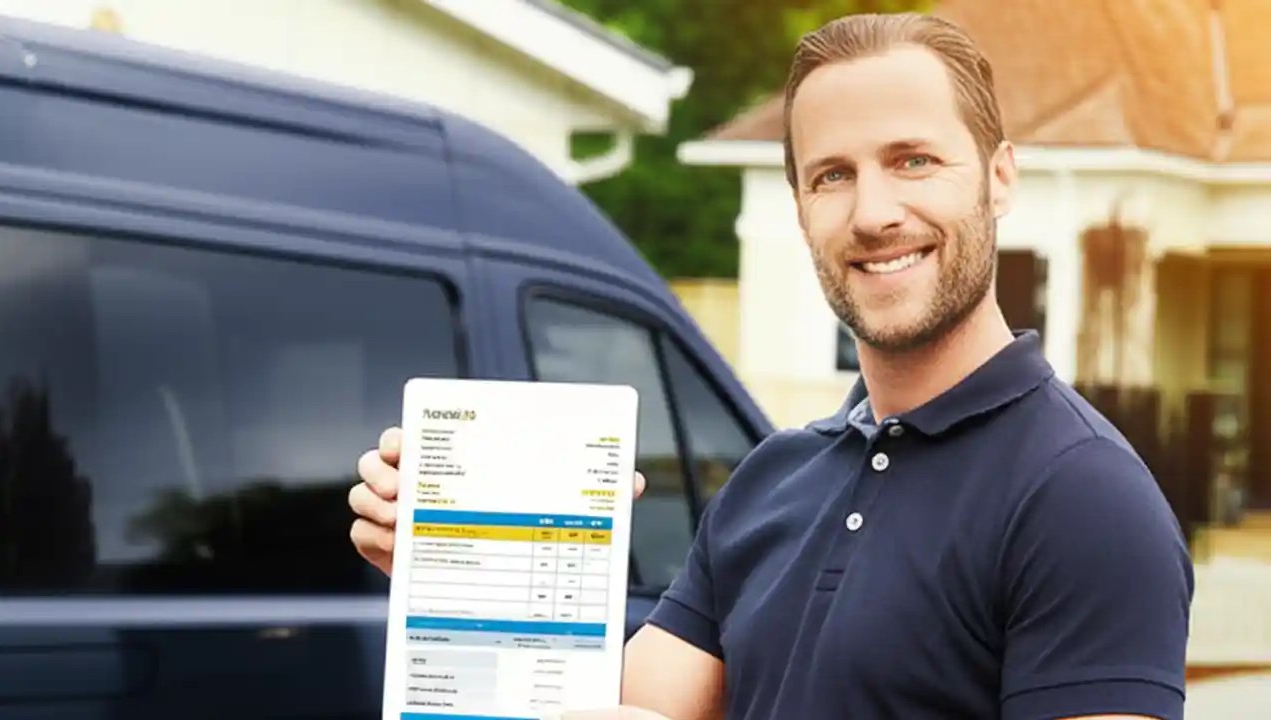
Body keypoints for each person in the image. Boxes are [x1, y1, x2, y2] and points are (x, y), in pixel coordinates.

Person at [349, 12, 1194, 720]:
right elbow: (607, 709)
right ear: (801, 210)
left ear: (999, 178)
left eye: (914, 161)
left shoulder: (1084, 499)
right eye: (833, 175)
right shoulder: (772, 481)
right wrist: (465, 570)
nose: (874, 212)